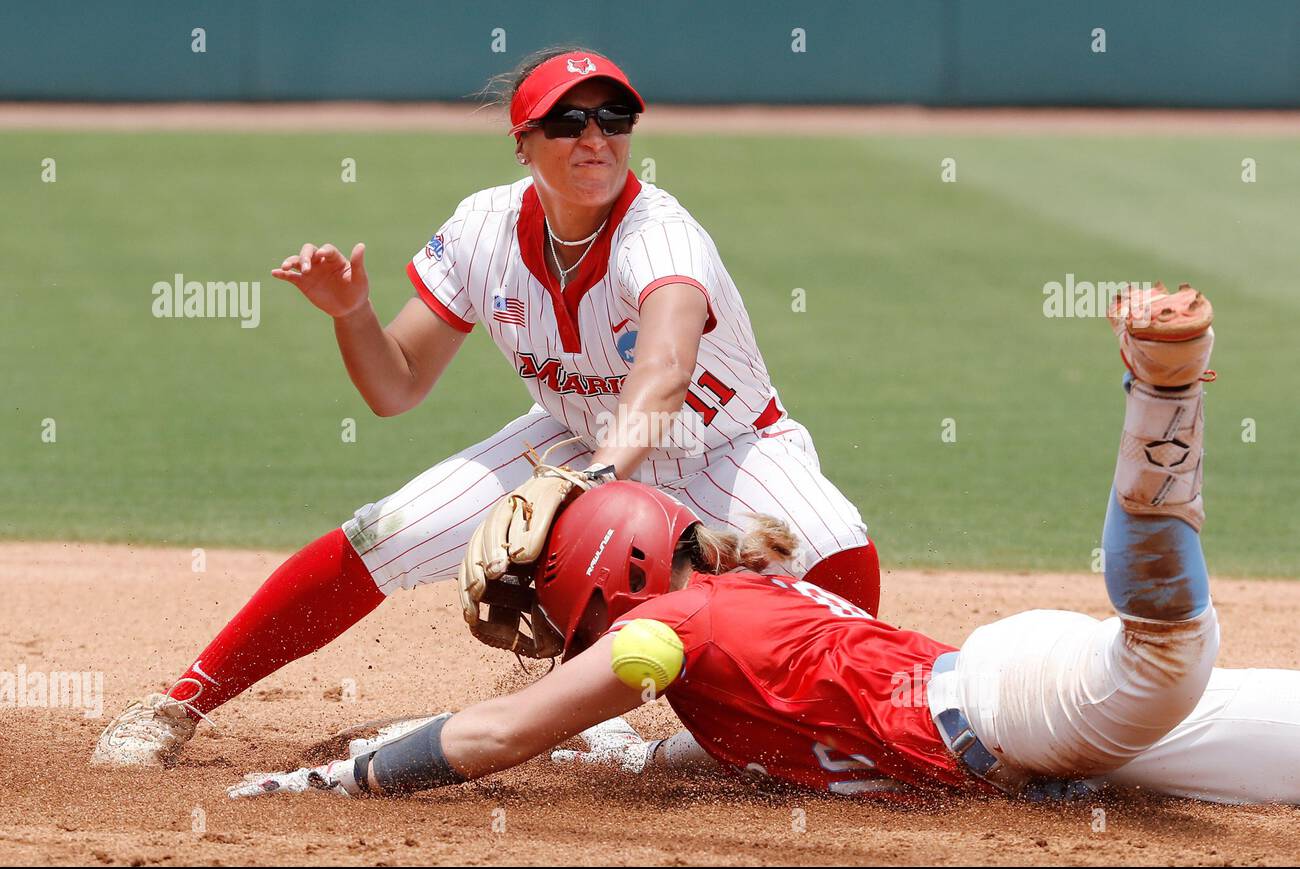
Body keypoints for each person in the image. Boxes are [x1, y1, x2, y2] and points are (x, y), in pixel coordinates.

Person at [91, 48, 879, 768]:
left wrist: (593, 484)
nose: (595, 137)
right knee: (388, 533)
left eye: (614, 118)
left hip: (728, 448)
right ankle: (177, 704)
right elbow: (395, 385)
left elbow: (666, 370)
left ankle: (790, 738)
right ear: (523, 143)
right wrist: (352, 313)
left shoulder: (660, 235)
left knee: (832, 545)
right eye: (568, 121)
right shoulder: (483, 230)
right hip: (574, 441)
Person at [228, 284, 1300, 806]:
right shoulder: (720, 642)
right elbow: (664, 742)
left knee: (1159, 650)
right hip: (1036, 737)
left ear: (612, 568)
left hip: (1014, 701)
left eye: (551, 588)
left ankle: (1162, 397)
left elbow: (506, 729)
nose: (550, 621)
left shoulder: (667, 628)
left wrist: (337, 781)